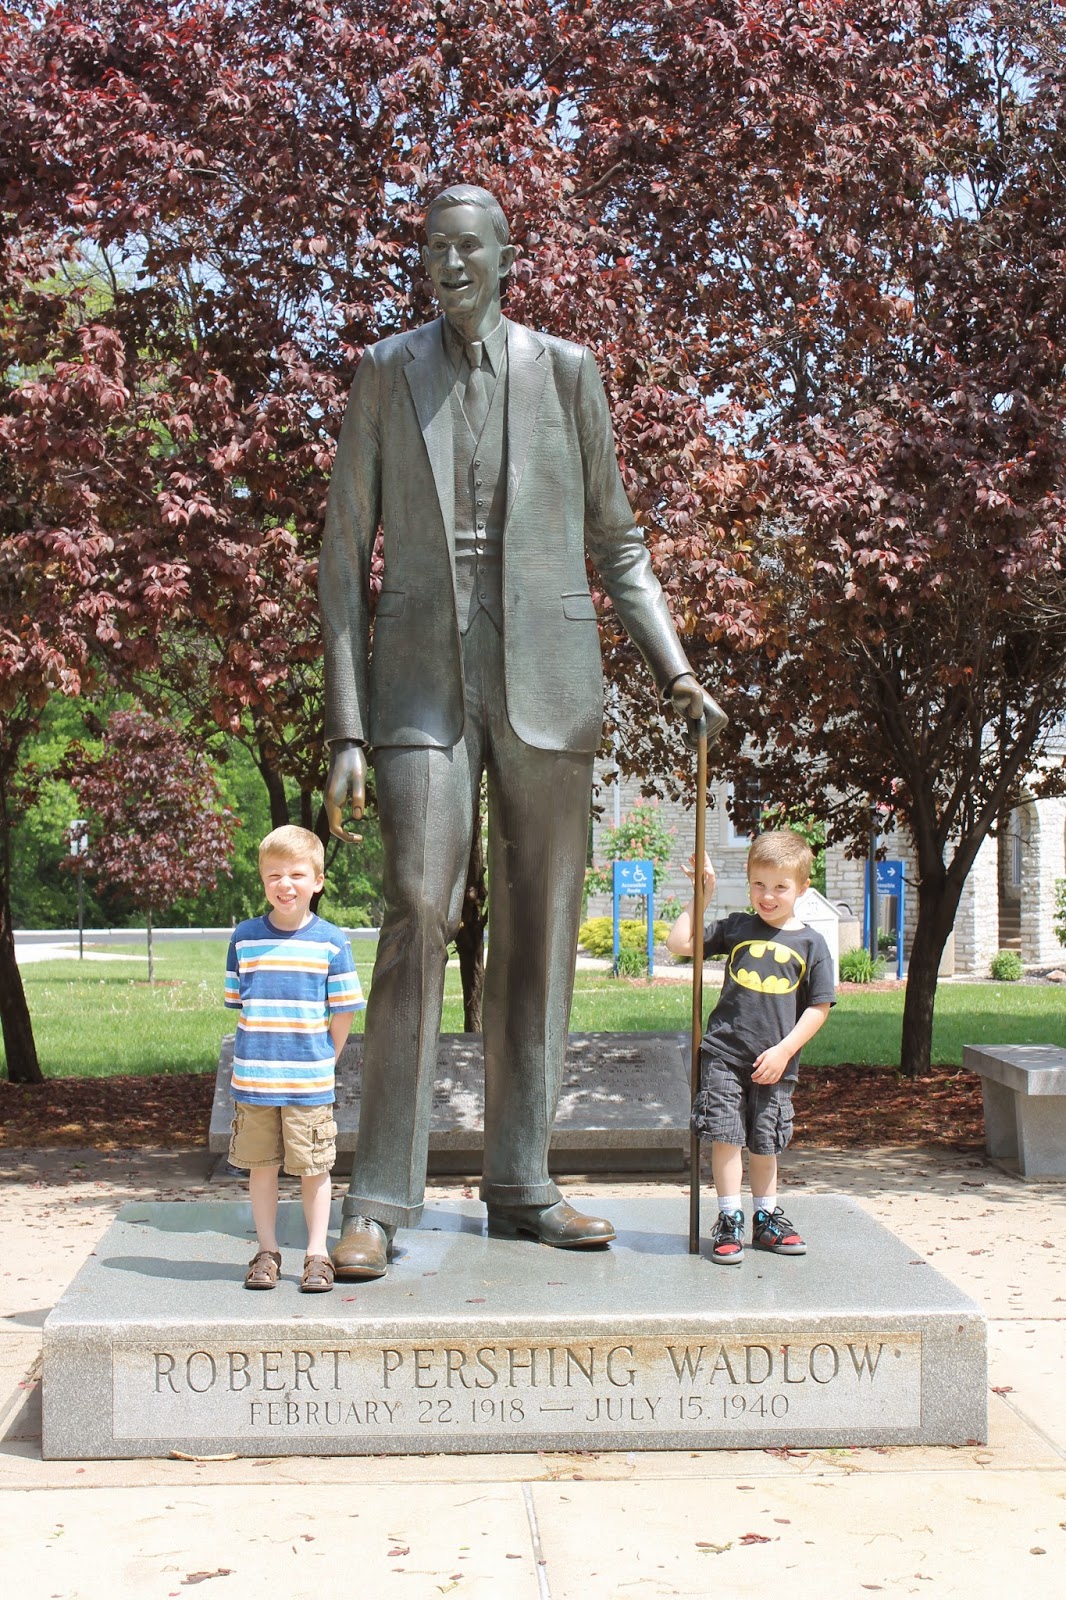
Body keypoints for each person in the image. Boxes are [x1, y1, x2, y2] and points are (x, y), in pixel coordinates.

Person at [318, 182, 725, 1279]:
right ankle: (379, 1198)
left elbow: (620, 542)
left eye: (468, 247)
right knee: (415, 903)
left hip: (548, 678)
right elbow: (342, 556)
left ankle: (522, 1180)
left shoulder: (567, 373)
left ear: (505, 256)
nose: (448, 264)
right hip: (419, 687)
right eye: (432, 247)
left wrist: (673, 666)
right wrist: (346, 730)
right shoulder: (383, 372)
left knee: (542, 929)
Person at [666, 829, 834, 1265]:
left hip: (775, 1061)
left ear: (802, 888)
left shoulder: (811, 944)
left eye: (781, 886)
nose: (769, 895)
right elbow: (680, 944)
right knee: (725, 1137)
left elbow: (818, 1008)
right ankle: (729, 1219)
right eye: (759, 884)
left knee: (765, 1144)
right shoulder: (739, 927)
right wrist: (701, 894)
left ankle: (766, 1219)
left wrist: (784, 1051)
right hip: (724, 1054)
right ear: (748, 879)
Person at [224, 825, 364, 1292]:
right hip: (256, 1082)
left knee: (314, 1168)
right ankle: (266, 1252)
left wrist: (326, 1059)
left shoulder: (331, 941)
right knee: (261, 1167)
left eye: (297, 874)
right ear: (263, 881)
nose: (285, 885)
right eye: (274, 875)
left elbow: (342, 1012)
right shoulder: (244, 939)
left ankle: (317, 1254)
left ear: (318, 880)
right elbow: (240, 1006)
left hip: (308, 1083)